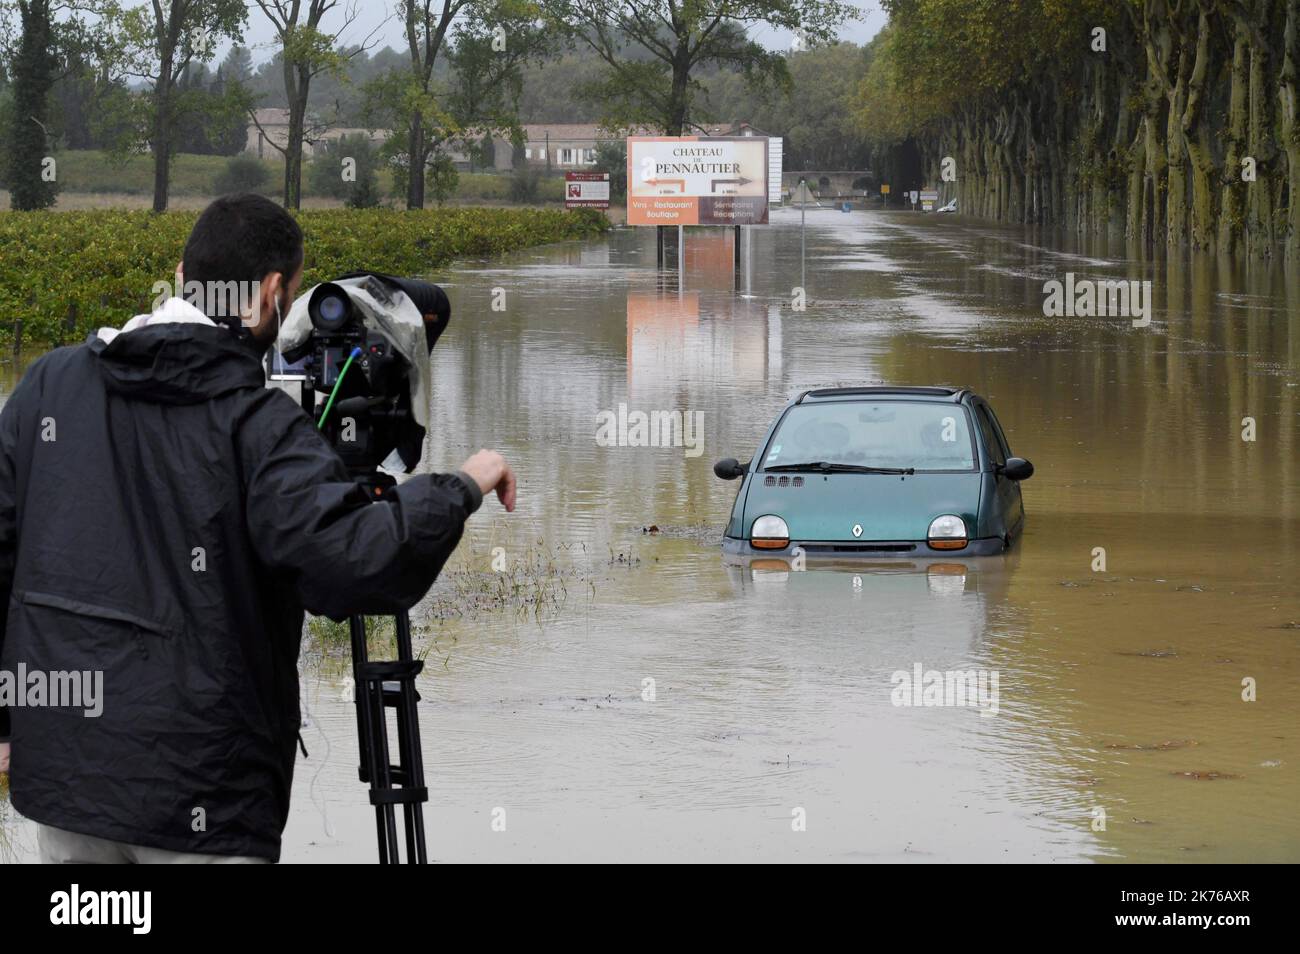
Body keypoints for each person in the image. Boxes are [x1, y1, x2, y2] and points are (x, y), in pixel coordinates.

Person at [0, 193, 515, 863]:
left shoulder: (48, 386)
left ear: (184, 270)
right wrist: (462, 485)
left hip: (67, 784)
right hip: (205, 794)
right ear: (272, 292)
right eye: (292, 295)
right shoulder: (259, 424)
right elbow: (356, 564)